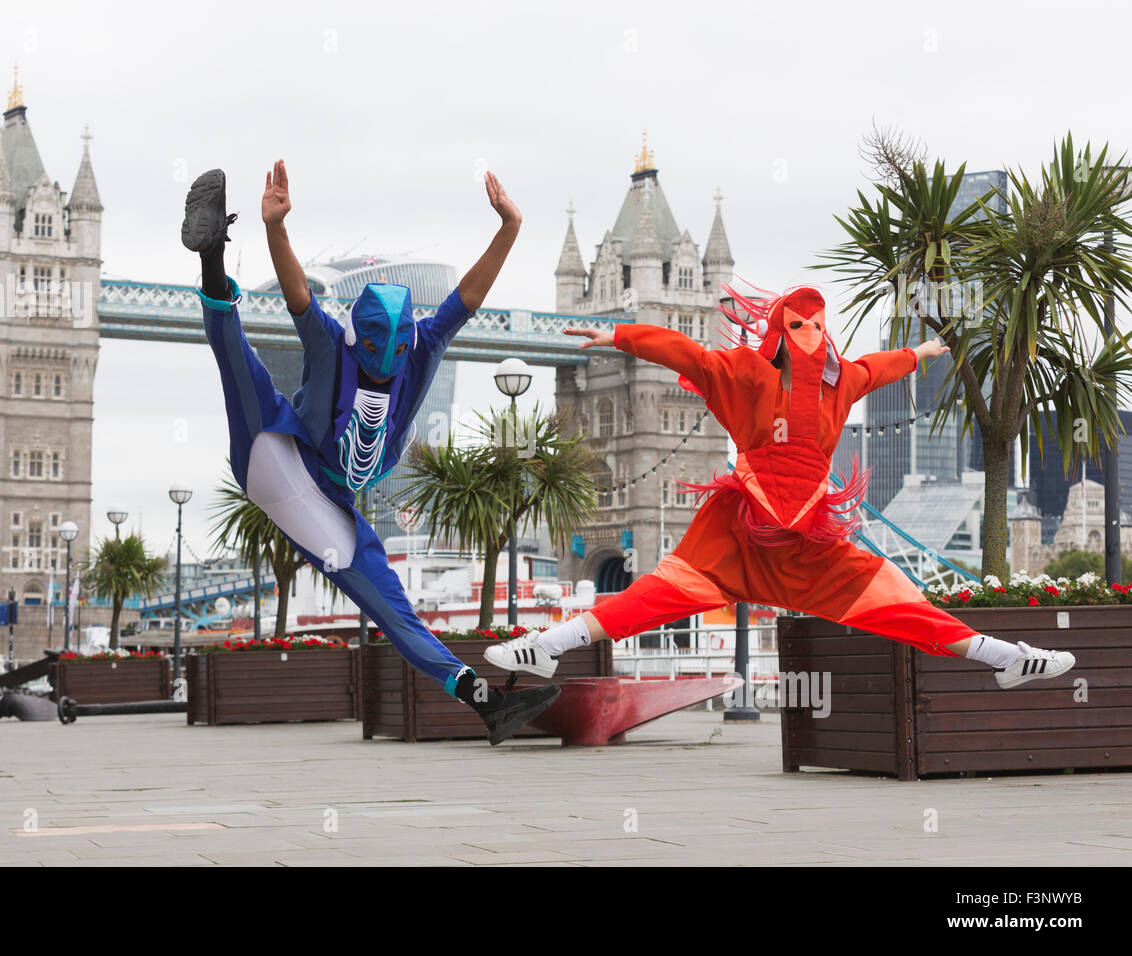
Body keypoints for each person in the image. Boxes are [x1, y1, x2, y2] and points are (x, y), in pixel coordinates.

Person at [485, 285, 1076, 690]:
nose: (812, 336)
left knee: (896, 601)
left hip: (807, 541)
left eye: (819, 326)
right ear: (779, 332)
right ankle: (548, 645)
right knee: (657, 595)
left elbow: (879, 366)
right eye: (799, 326)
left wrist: (920, 352)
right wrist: (619, 338)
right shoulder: (747, 374)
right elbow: (688, 353)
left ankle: (1005, 658)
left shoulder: (839, 386)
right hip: (742, 528)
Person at [183, 162, 559, 743]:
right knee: (389, 606)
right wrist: (508, 227)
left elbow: (300, 296)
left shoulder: (351, 341)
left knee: (240, 368)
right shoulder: (407, 345)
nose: (385, 365)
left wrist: (277, 228)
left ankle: (484, 700)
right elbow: (463, 299)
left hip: (305, 479)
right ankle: (211, 257)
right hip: (288, 463)